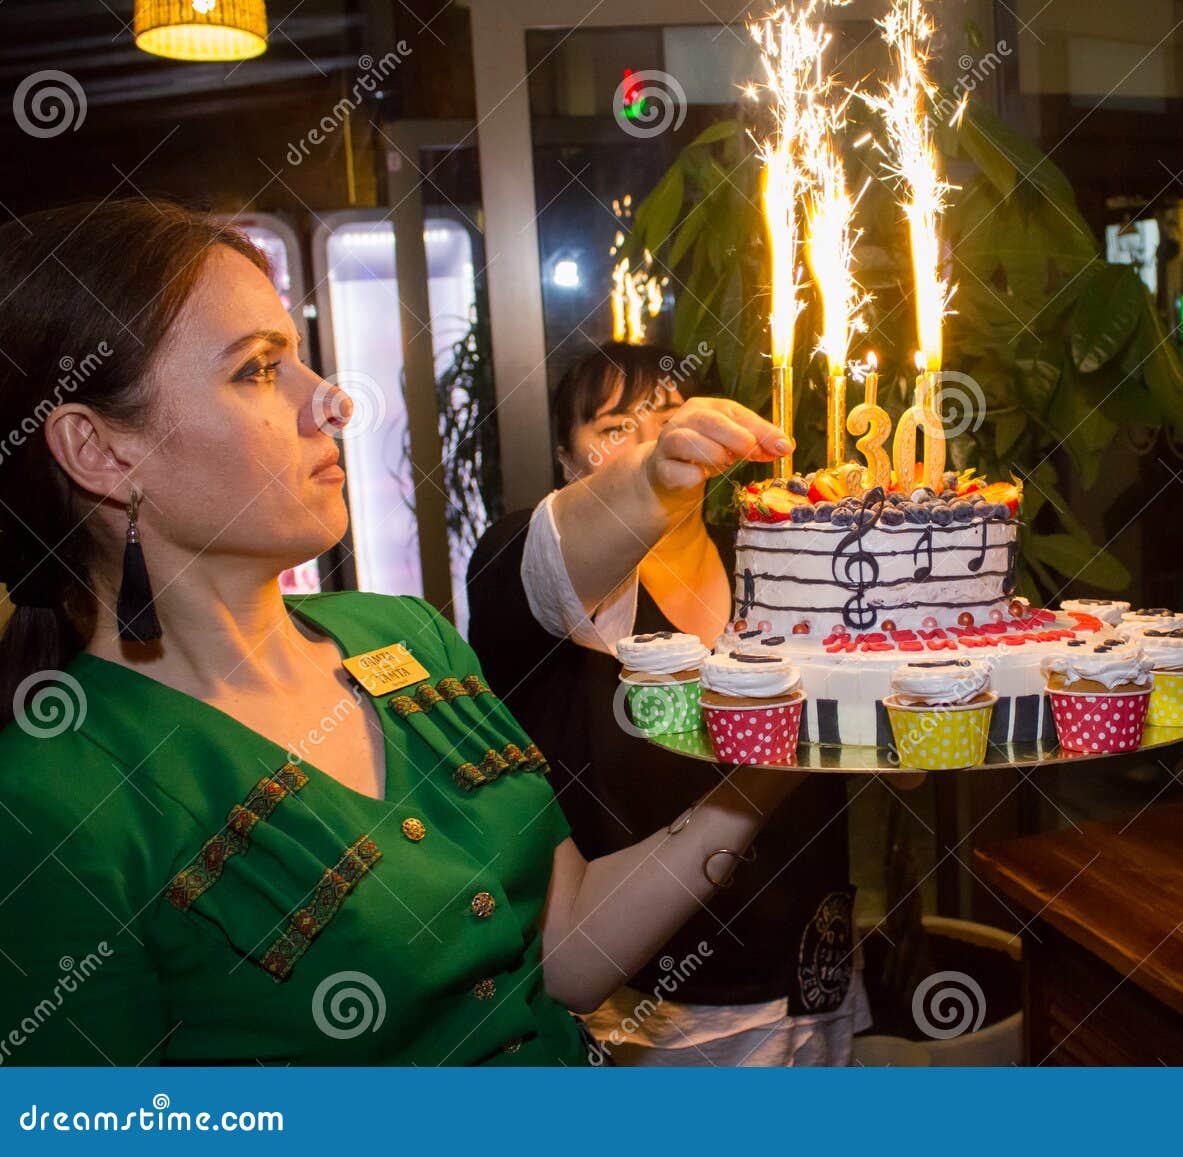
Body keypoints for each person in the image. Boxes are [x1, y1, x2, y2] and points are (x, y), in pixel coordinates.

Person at [0, 200, 801, 1066]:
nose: (332, 402)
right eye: (258, 371)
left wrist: (767, 767)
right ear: (99, 451)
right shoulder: (50, 803)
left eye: (297, 358)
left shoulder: (406, 637)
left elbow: (564, 949)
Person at [467, 345, 867, 1066]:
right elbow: (537, 561)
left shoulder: (777, 561)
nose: (654, 441)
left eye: (669, 418)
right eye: (617, 427)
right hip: (654, 1019)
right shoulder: (545, 592)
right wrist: (649, 476)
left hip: (815, 982)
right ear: (565, 460)